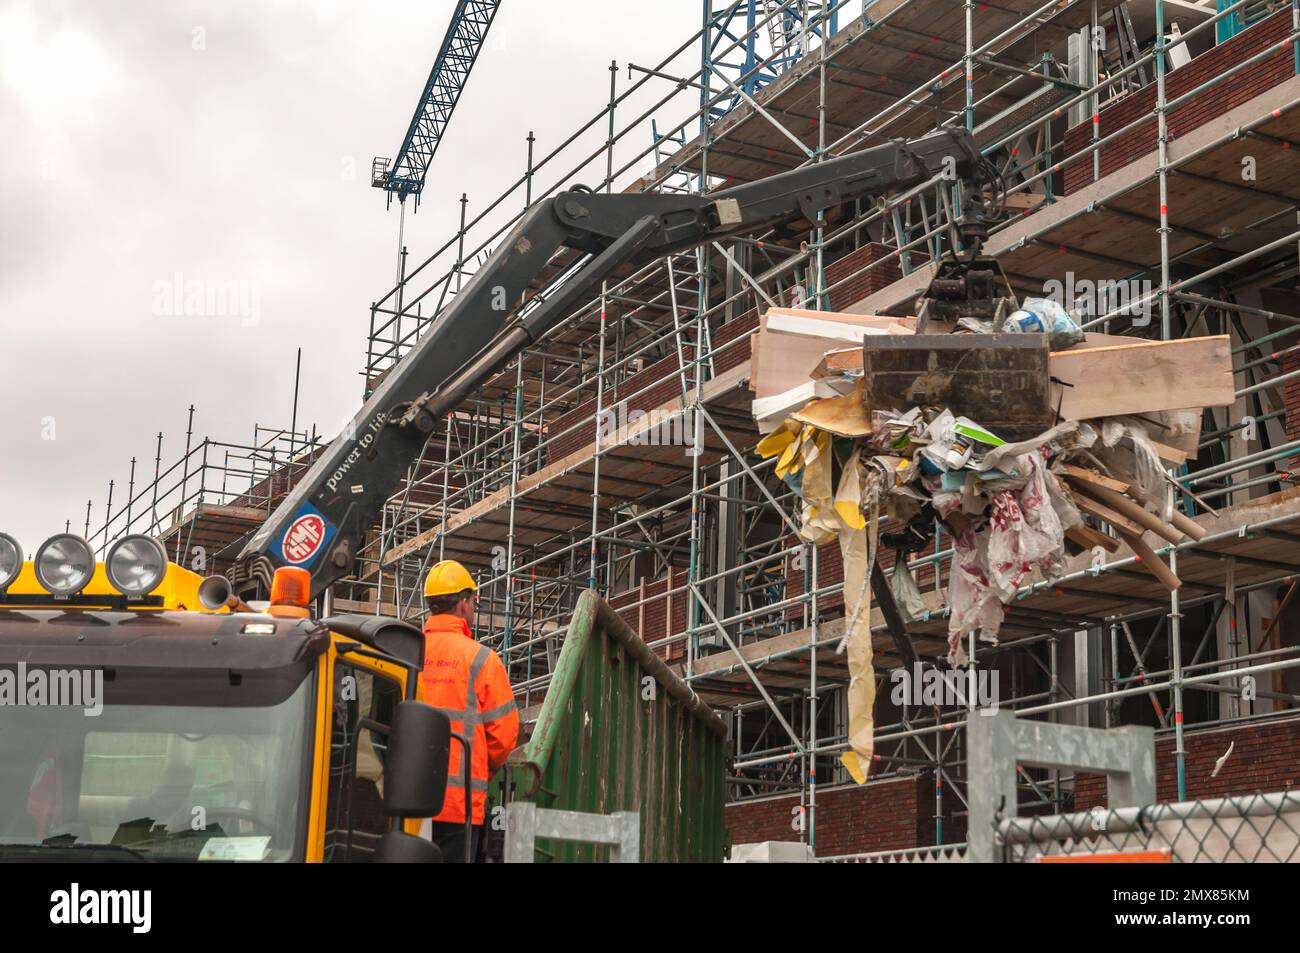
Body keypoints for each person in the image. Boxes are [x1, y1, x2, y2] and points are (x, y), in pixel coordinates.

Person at [419, 560, 518, 862]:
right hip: (459, 806)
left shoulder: (406, 649)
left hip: (406, 801)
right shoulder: (481, 659)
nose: (474, 609)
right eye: (474, 601)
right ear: (463, 603)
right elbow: (504, 737)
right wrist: (482, 770)